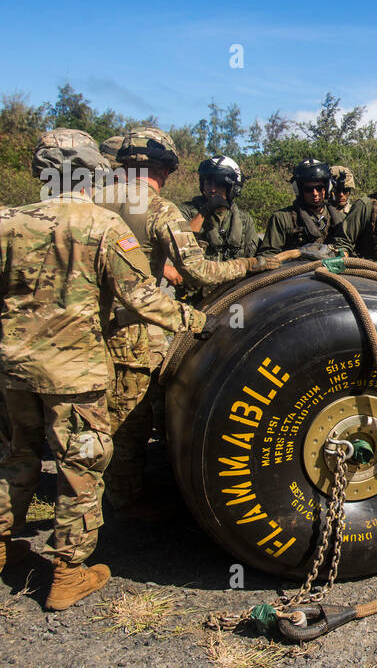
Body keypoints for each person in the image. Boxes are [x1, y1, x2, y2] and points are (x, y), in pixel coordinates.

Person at [0, 129, 207, 609]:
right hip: (76, 376)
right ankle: (65, 575)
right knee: (80, 467)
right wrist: (199, 322)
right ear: (91, 169)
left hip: (14, 370)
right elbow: (142, 298)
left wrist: (20, 334)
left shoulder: (5, 222)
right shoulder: (102, 226)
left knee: (15, 455)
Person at [95, 126, 285, 508]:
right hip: (137, 323)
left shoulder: (89, 201)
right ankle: (124, 500)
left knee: (90, 409)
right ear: (165, 169)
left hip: (86, 324)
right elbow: (195, 270)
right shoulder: (163, 210)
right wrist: (252, 265)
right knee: (133, 414)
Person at [180, 155, 259, 263]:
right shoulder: (187, 211)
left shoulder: (244, 220)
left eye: (219, 184)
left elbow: (253, 258)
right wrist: (204, 211)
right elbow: (181, 244)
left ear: (233, 188)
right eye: (208, 183)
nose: (212, 190)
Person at [256, 159, 337, 257]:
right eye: (308, 189)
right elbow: (268, 255)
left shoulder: (339, 219)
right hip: (294, 269)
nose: (315, 193)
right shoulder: (282, 218)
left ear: (327, 188)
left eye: (319, 188)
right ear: (299, 190)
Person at [326, 165, 357, 241]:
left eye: (345, 190)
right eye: (337, 190)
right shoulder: (323, 212)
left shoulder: (354, 212)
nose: (341, 194)